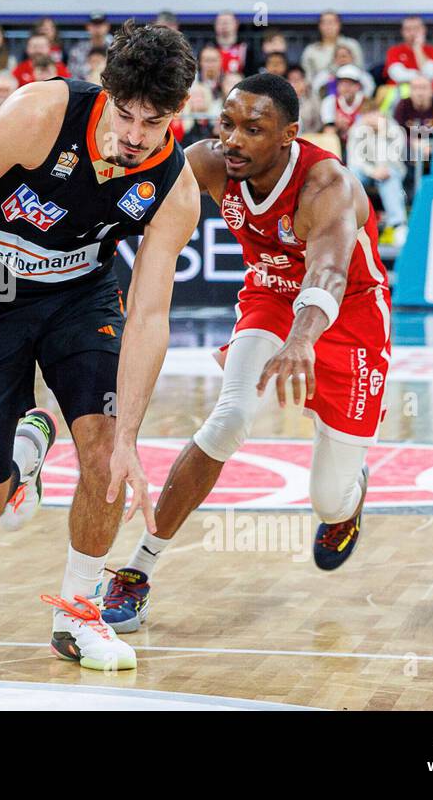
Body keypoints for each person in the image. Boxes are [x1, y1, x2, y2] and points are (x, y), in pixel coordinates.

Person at [0, 20, 201, 670]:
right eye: (124, 115)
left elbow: (151, 316)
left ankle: (77, 616)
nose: (132, 134)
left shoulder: (175, 189)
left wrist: (128, 430)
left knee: (105, 450)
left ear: (178, 115)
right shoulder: (41, 113)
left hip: (82, 299)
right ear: (106, 93)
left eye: (151, 123)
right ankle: (29, 444)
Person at [102, 72, 390, 633]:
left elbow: (329, 270)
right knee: (230, 418)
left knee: (328, 498)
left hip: (348, 312)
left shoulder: (327, 184)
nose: (233, 140)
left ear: (288, 134)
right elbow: (126, 199)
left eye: (252, 130)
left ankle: (349, 500)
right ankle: (138, 571)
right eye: (227, 124)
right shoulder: (208, 164)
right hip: (269, 296)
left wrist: (303, 340)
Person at [346, 107, 408, 245]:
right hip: (365, 172)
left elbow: (394, 160)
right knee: (352, 176)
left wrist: (381, 134)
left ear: (384, 115)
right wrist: (372, 172)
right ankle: (350, 224)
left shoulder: (395, 131)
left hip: (389, 170)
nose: (373, 118)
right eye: (370, 114)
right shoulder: (357, 129)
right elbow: (354, 161)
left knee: (390, 178)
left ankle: (398, 226)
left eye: (377, 114)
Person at [301, 10, 364, 84]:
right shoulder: (311, 50)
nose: (328, 26)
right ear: (319, 26)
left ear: (339, 25)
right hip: (320, 90)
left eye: (332, 22)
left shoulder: (352, 45)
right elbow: (308, 77)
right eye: (324, 23)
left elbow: (360, 70)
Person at [383, 15, 433, 87]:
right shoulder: (394, 51)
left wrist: (417, 49)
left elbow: (432, 73)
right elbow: (398, 75)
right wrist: (422, 76)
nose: (412, 33)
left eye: (416, 29)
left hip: (429, 96)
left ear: (424, 30)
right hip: (401, 96)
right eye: (408, 29)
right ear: (402, 32)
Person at [67, 12, 112, 80]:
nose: (97, 28)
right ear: (88, 27)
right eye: (94, 24)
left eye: (100, 24)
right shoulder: (77, 50)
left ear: (107, 26)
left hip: (110, 86)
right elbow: (73, 74)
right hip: (83, 87)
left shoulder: (114, 48)